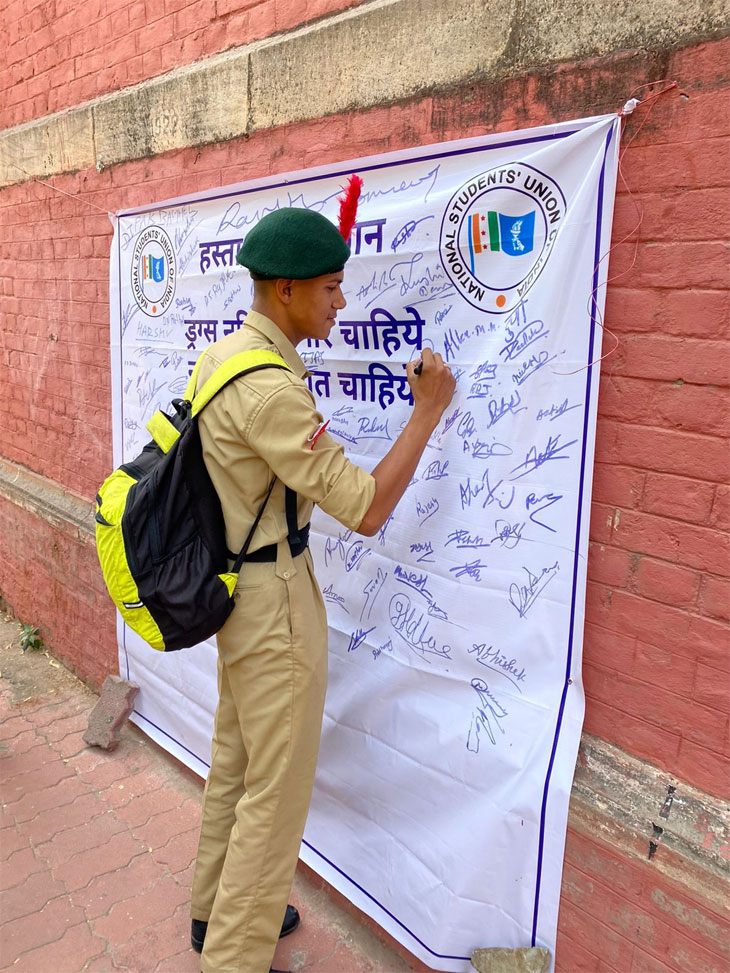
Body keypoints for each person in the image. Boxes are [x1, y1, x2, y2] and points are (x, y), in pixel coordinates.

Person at [189, 205, 455, 973]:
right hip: (272, 606)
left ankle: (218, 914)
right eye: (331, 288)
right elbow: (367, 508)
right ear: (284, 291)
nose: (342, 303)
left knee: (237, 763)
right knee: (275, 790)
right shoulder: (270, 388)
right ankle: (235, 958)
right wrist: (427, 411)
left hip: (240, 592)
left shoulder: (226, 355)